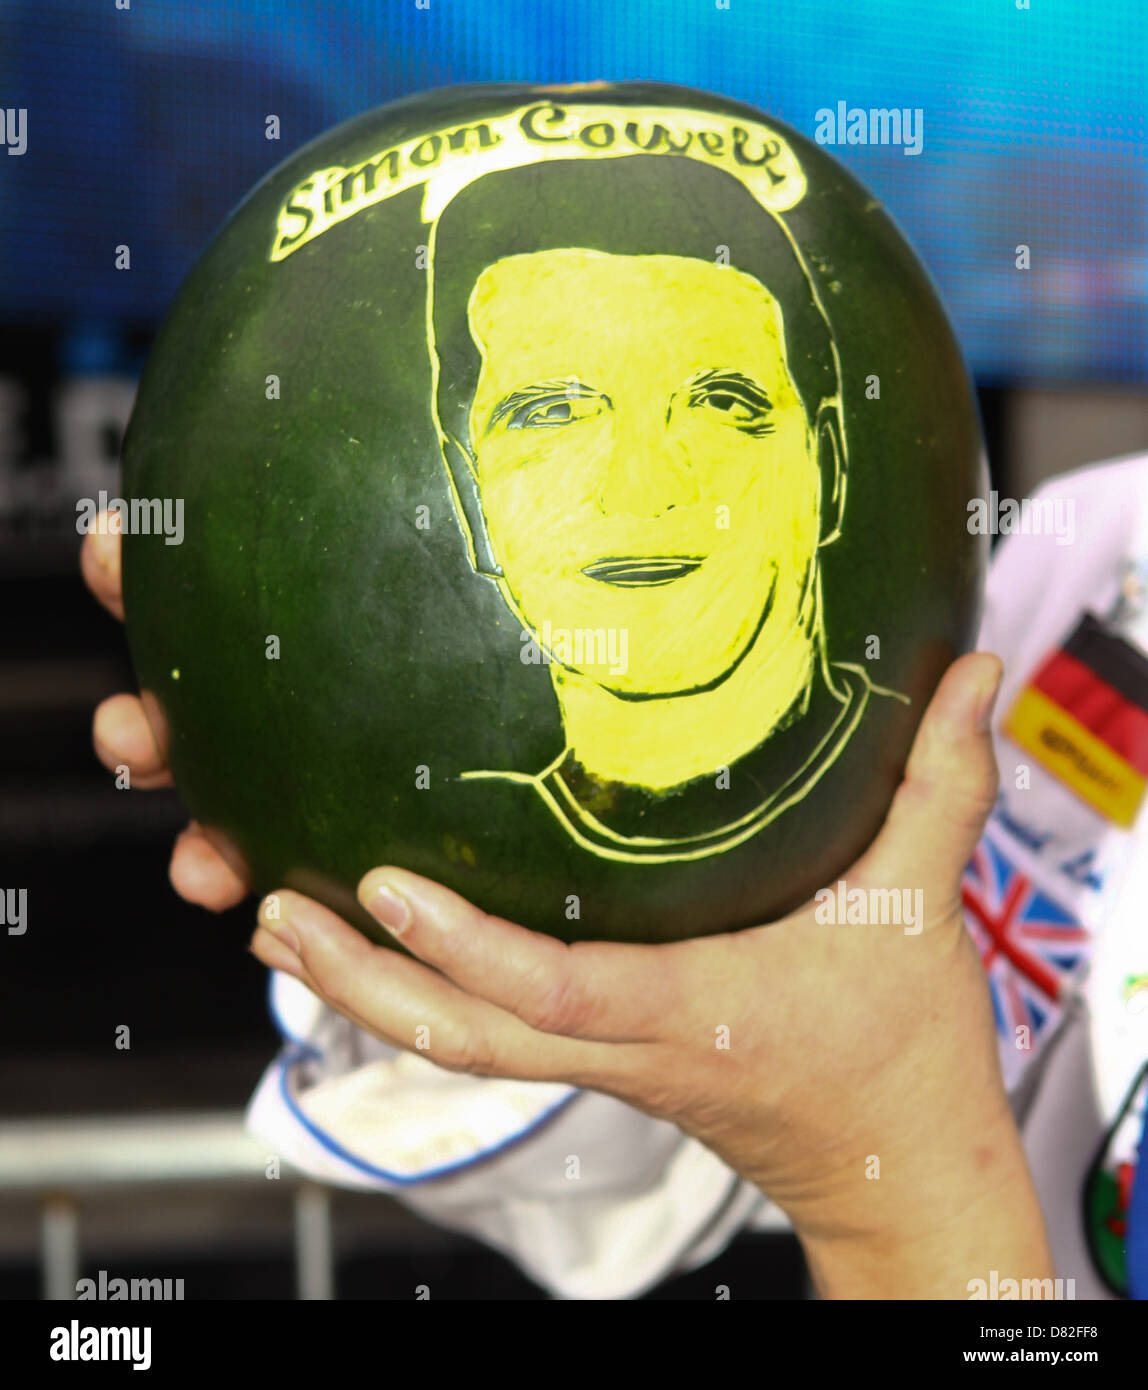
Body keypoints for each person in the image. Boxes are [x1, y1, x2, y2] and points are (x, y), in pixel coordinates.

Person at [85, 516, 1053, 1297]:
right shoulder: (1091, 543)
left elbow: (872, 1103)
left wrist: (882, 1179)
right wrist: (398, 832)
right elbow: (637, 1195)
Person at [425, 154, 905, 860]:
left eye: (719, 403)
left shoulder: (939, 787)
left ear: (829, 469)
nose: (641, 491)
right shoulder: (433, 850)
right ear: (470, 499)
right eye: (553, 412)